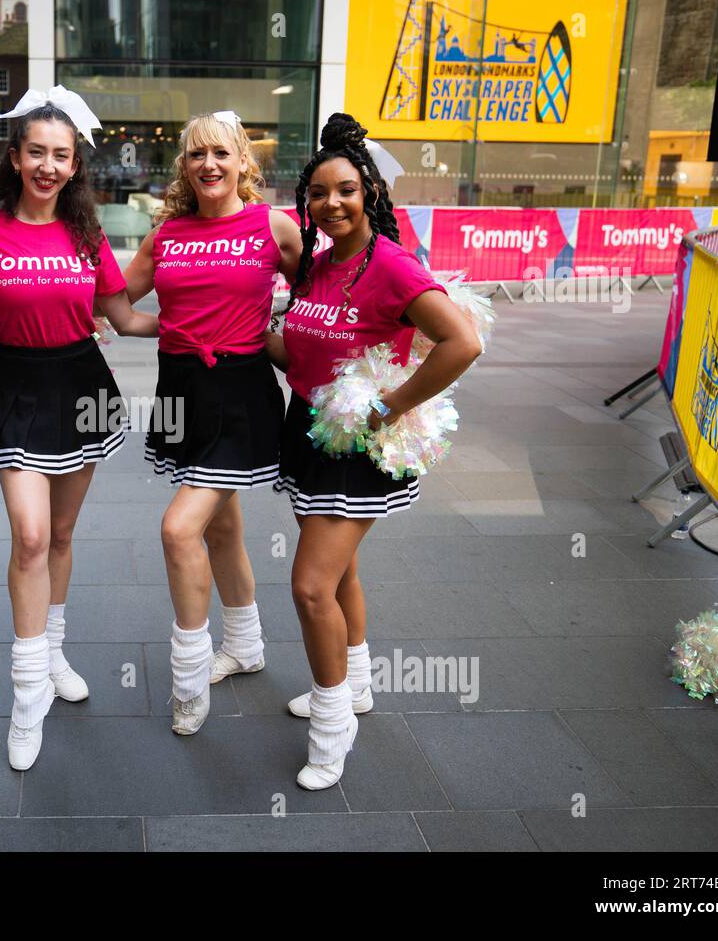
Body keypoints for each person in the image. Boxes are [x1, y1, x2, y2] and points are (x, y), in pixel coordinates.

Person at [265, 114, 481, 790]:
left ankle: (332, 729)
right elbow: (298, 351)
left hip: (355, 449)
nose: (332, 204)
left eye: (347, 191)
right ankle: (353, 684)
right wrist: (237, 335)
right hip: (307, 433)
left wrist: (392, 405)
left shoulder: (391, 264)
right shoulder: (320, 265)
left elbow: (463, 342)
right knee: (341, 575)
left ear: (371, 197)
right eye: (321, 193)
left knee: (308, 587)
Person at [0, 87, 157, 770]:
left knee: (65, 535)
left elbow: (125, 317)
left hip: (82, 385)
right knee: (30, 535)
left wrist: (208, 321)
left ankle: (52, 651)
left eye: (62, 155)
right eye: (36, 153)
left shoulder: (86, 235)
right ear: (14, 158)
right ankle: (27, 697)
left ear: (75, 165)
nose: (48, 165)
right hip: (18, 388)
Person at [120, 111, 302, 736]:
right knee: (221, 528)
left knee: (179, 529)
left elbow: (321, 301)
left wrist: (276, 334)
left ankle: (189, 675)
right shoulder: (167, 233)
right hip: (181, 392)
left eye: (221, 153)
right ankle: (247, 646)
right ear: (185, 167)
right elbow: (117, 307)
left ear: (244, 163)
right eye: (197, 155)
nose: (209, 165)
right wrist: (170, 328)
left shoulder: (275, 226)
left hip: (240, 392)